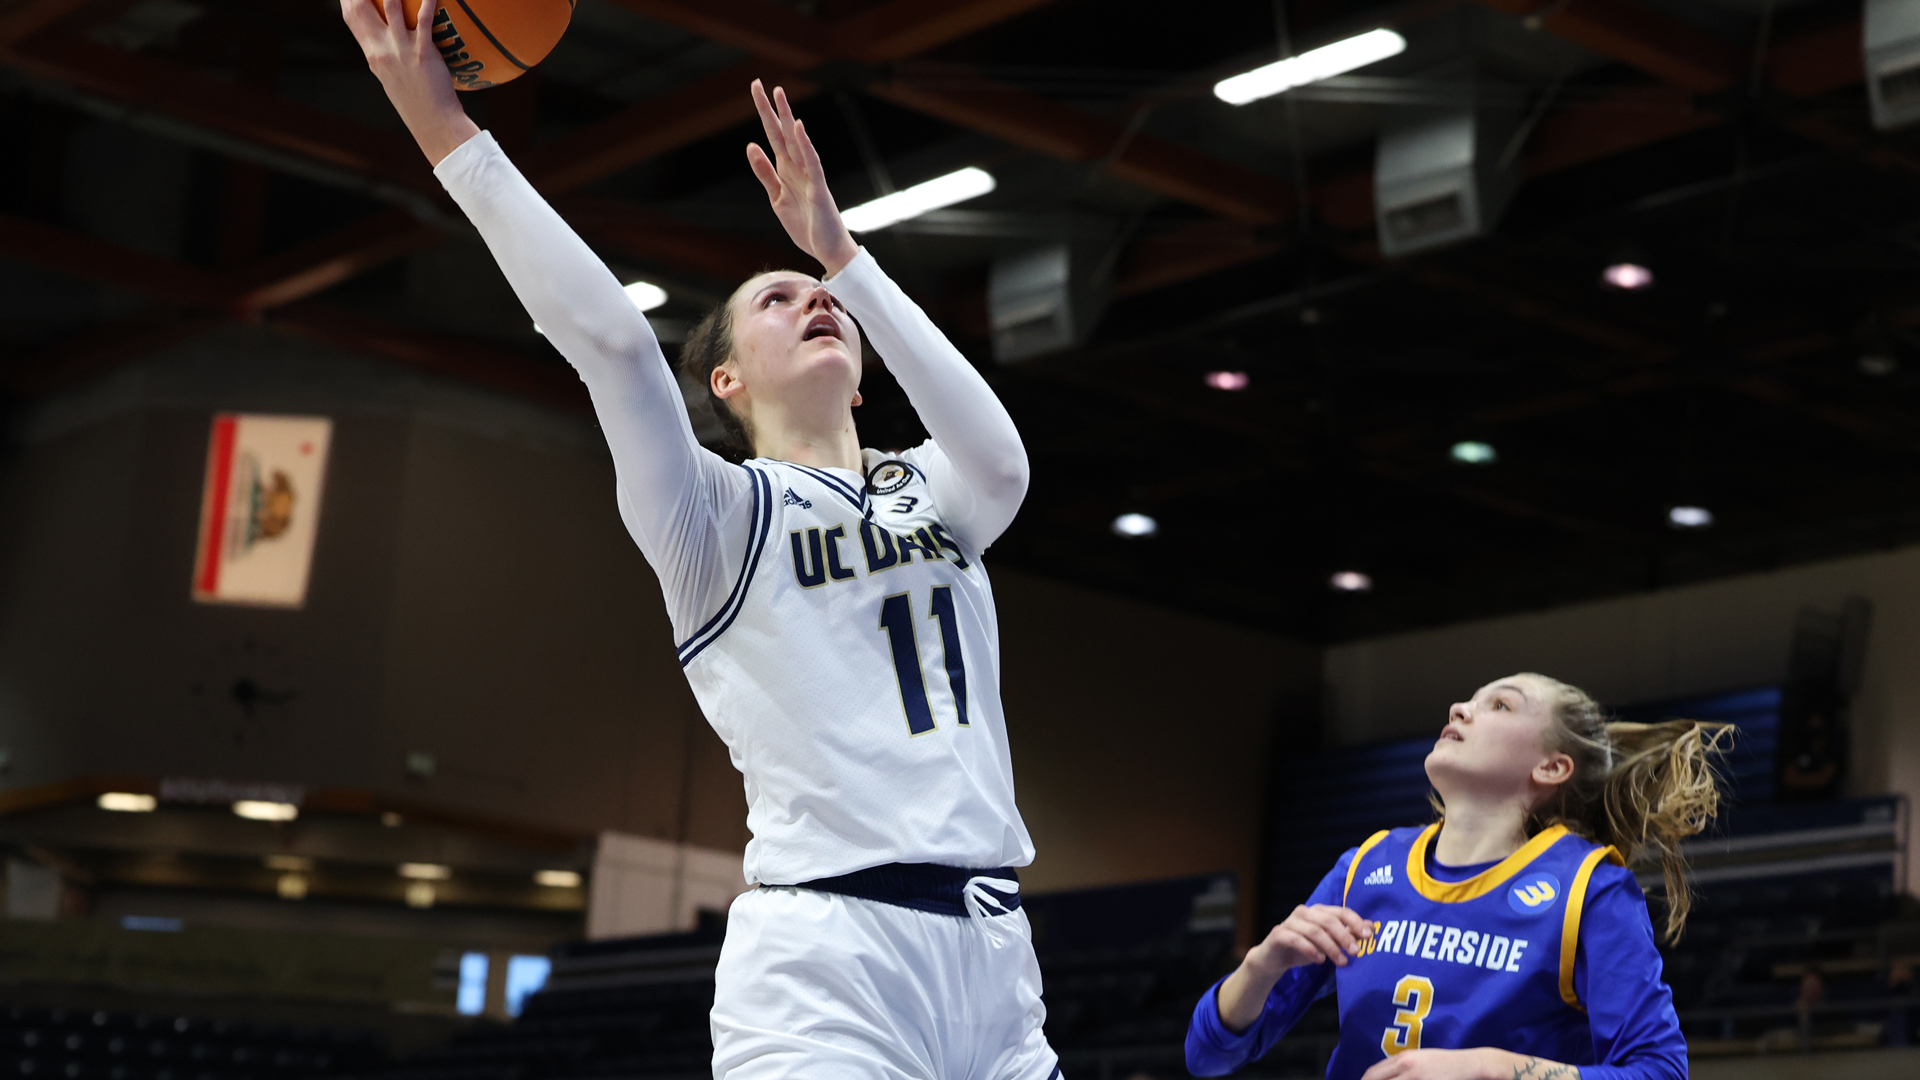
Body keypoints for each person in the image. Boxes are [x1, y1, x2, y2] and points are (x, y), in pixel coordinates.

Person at [337, 3, 1057, 1078]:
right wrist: (446, 133)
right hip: (830, 961)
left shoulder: (935, 491)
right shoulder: (713, 516)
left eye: (822, 301)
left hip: (996, 959)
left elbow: (1004, 462)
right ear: (725, 380)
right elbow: (614, 345)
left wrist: (843, 256)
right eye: (777, 299)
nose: (812, 302)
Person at [1188, 673, 1726, 1080]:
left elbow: (1658, 1071)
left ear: (1551, 767)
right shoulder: (1364, 867)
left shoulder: (1590, 889)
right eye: (1469, 699)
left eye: (1500, 705)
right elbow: (1207, 1056)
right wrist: (1261, 965)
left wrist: (1492, 1068)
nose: (1460, 709)